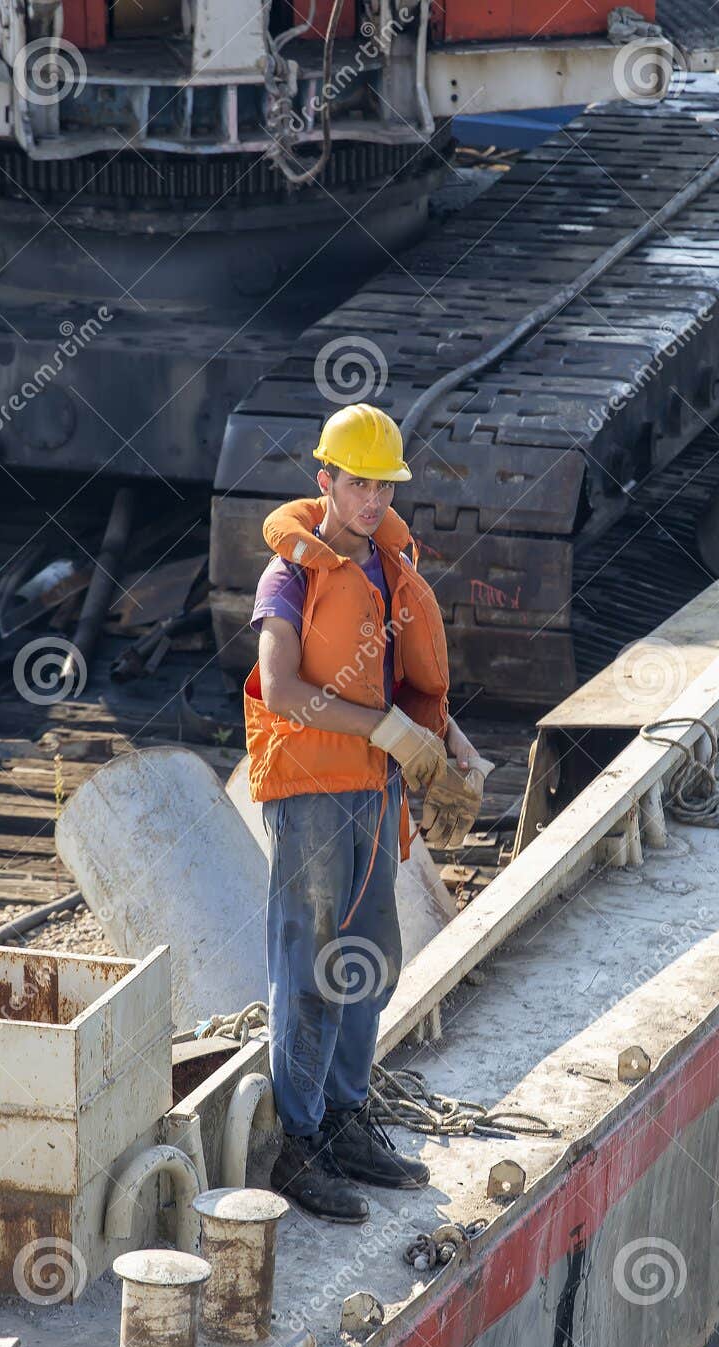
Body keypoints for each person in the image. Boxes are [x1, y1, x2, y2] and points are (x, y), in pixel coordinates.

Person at [243, 403, 484, 1222]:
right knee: (309, 961)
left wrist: (451, 746)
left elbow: (400, 676)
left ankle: (346, 1119)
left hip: (375, 790)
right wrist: (386, 729)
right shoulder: (289, 577)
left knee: (371, 952)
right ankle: (297, 1145)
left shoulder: (386, 566)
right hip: (312, 789)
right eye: (356, 484)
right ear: (325, 482)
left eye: (383, 485)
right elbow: (280, 690)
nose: (372, 499)